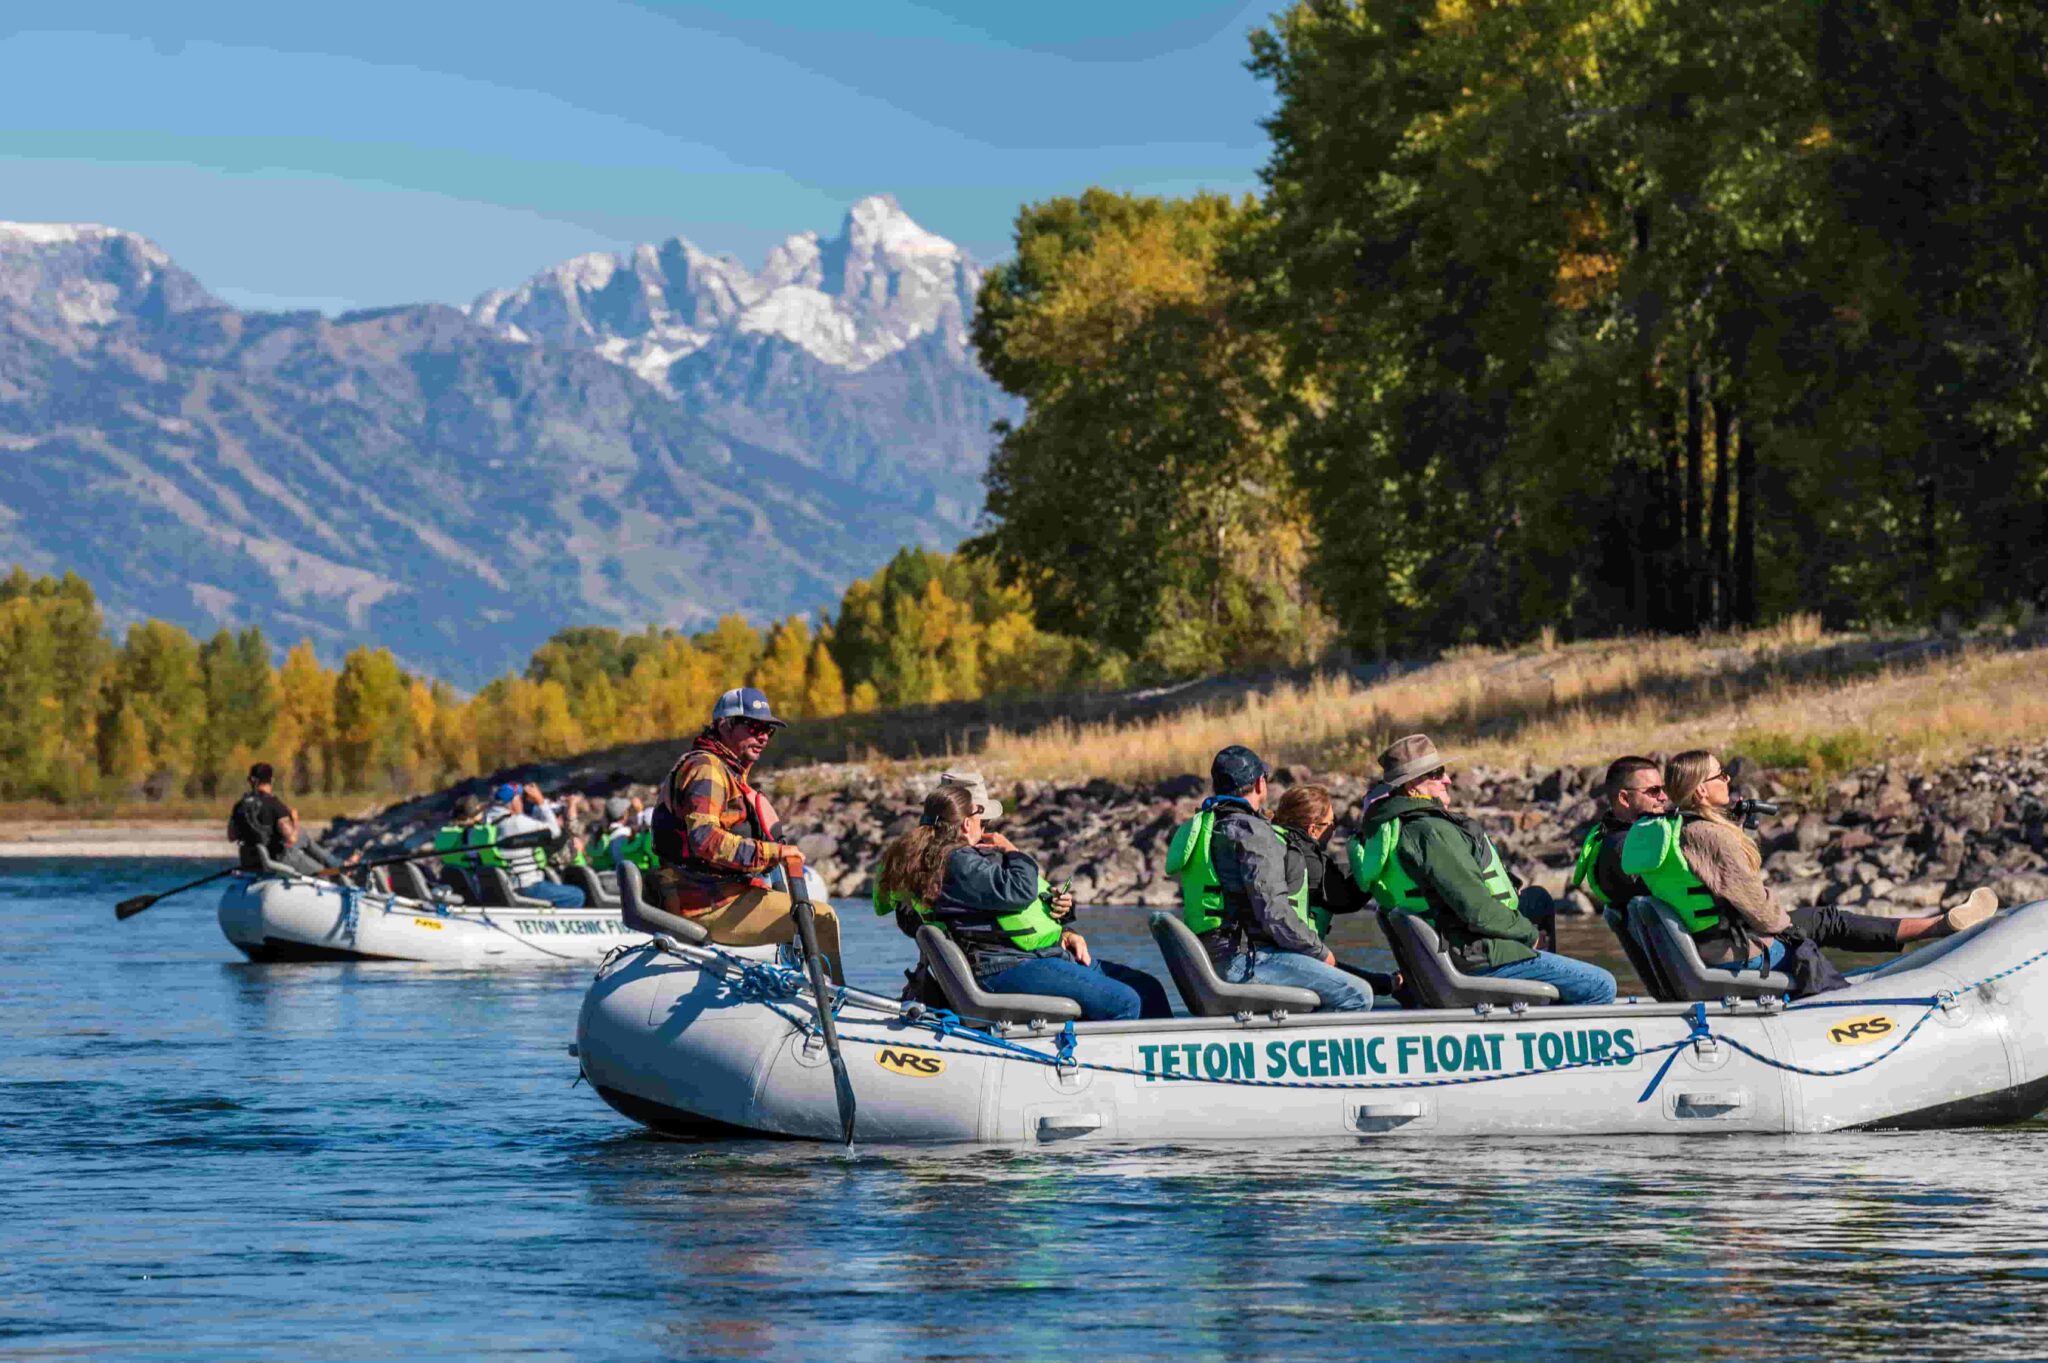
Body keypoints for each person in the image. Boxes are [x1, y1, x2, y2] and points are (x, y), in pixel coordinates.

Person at [1637, 750, 1998, 985]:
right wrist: (1790, 932)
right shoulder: (1712, 836)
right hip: (1739, 951)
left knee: (1823, 920)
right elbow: (1760, 911)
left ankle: (1937, 926)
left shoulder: (1672, 829)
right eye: (1720, 776)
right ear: (1701, 791)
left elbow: (1712, 879)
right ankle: (1931, 931)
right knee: (1816, 929)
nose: (1728, 780)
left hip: (1712, 943)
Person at [1357, 734, 1617, 1005]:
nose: (1447, 779)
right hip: (1477, 957)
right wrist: (1528, 935)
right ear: (1412, 786)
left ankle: (1543, 991)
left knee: (1536, 899)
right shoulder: (1431, 832)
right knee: (1600, 985)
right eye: (1436, 774)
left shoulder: (1390, 828)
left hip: (1453, 949)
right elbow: (1477, 911)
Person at [878, 785, 1171, 1020]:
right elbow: (1018, 890)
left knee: (1148, 989)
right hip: (1004, 967)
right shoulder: (958, 861)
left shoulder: (934, 862)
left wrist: (1064, 928)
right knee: (1125, 1001)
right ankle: (1115, 1082)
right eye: (982, 818)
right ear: (968, 824)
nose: (987, 826)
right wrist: (1014, 852)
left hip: (1029, 956)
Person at [645, 687, 843, 983]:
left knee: (805, 913)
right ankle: (835, 1005)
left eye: (768, 730)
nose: (763, 736)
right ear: (724, 726)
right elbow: (705, 840)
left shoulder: (726, 771)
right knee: (823, 920)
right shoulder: (707, 769)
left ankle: (804, 990)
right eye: (754, 726)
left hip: (719, 895)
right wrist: (775, 853)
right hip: (704, 905)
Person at [1167, 745, 1375, 1012]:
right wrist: (1320, 952)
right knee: (1358, 995)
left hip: (1206, 963)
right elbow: (1274, 913)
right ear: (1258, 783)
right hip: (1241, 963)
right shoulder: (1251, 831)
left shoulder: (1207, 824)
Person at [1269, 784, 1401, 1000]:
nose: (1334, 829)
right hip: (1289, 959)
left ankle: (1386, 983)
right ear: (1313, 829)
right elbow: (1347, 900)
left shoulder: (1271, 840)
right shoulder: (1308, 859)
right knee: (1359, 994)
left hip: (1269, 953)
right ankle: (1386, 984)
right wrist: (1370, 860)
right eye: (1332, 823)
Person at [226, 762, 350, 875]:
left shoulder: (239, 806)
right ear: (271, 780)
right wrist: (295, 820)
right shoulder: (275, 805)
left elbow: (231, 837)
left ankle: (337, 863)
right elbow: (291, 838)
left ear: (251, 781)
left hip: (249, 860)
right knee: (323, 871)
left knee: (303, 836)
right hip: (277, 858)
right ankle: (338, 869)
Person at [484, 781, 586, 908]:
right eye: (520, 799)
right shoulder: (517, 823)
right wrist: (541, 801)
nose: (521, 802)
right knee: (576, 895)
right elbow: (554, 831)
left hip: (501, 886)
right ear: (514, 801)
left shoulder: (486, 824)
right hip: (527, 887)